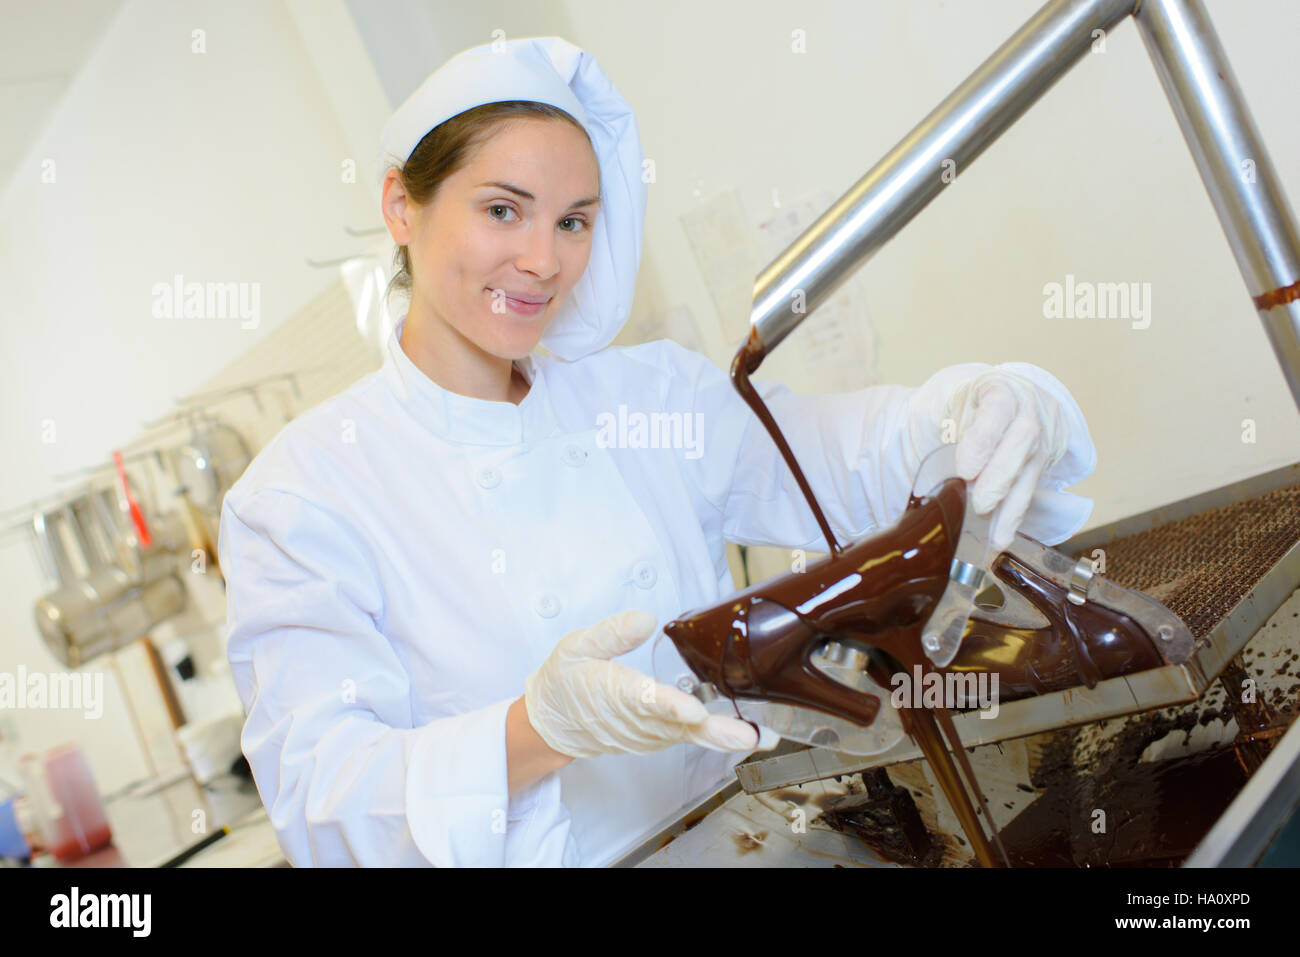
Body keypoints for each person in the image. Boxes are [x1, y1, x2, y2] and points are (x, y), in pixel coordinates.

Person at [218, 36, 1097, 867]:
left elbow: (852, 461)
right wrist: (539, 729)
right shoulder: (304, 493)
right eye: (501, 210)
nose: (541, 260)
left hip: (754, 841)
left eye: (573, 221)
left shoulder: (646, 396)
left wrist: (993, 405)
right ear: (401, 204)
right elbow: (322, 802)